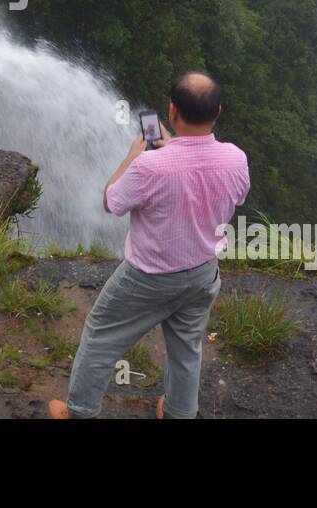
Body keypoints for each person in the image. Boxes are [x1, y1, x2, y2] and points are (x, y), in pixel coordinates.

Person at [48, 72, 250, 420]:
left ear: (172, 111)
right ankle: (178, 413)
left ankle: (79, 412)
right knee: (187, 348)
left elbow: (112, 202)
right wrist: (173, 149)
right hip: (203, 273)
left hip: (148, 278)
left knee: (101, 335)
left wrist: (132, 156)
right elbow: (226, 191)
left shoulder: (148, 166)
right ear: (218, 111)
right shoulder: (236, 159)